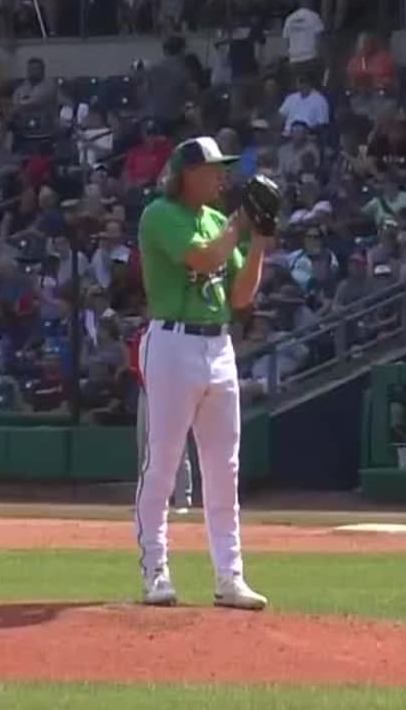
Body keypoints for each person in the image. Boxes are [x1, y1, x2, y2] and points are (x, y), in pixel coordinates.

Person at [135, 136, 270, 610]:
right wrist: (240, 223)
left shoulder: (216, 220)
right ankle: (156, 571)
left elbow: (241, 297)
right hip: (172, 342)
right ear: (186, 174)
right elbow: (203, 259)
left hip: (218, 344)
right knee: (163, 461)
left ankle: (230, 576)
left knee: (224, 467)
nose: (221, 176)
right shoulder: (160, 214)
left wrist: (261, 239)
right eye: (213, 169)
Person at [128, 325, 195, 515]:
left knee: (178, 447)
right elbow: (135, 367)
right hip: (147, 392)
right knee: (145, 446)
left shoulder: (178, 333)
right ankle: (148, 500)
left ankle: (182, 499)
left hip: (173, 391)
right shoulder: (141, 334)